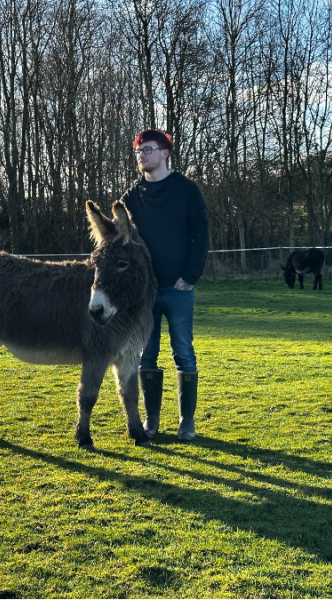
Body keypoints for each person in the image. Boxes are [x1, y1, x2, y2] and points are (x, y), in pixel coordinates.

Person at [120, 129, 209, 440]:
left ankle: (187, 422)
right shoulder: (131, 198)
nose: (142, 155)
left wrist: (190, 277)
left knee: (184, 352)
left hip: (179, 288)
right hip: (144, 294)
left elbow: (201, 236)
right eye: (138, 151)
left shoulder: (187, 190)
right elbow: (121, 243)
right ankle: (152, 420)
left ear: (165, 153)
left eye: (148, 149)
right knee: (147, 355)